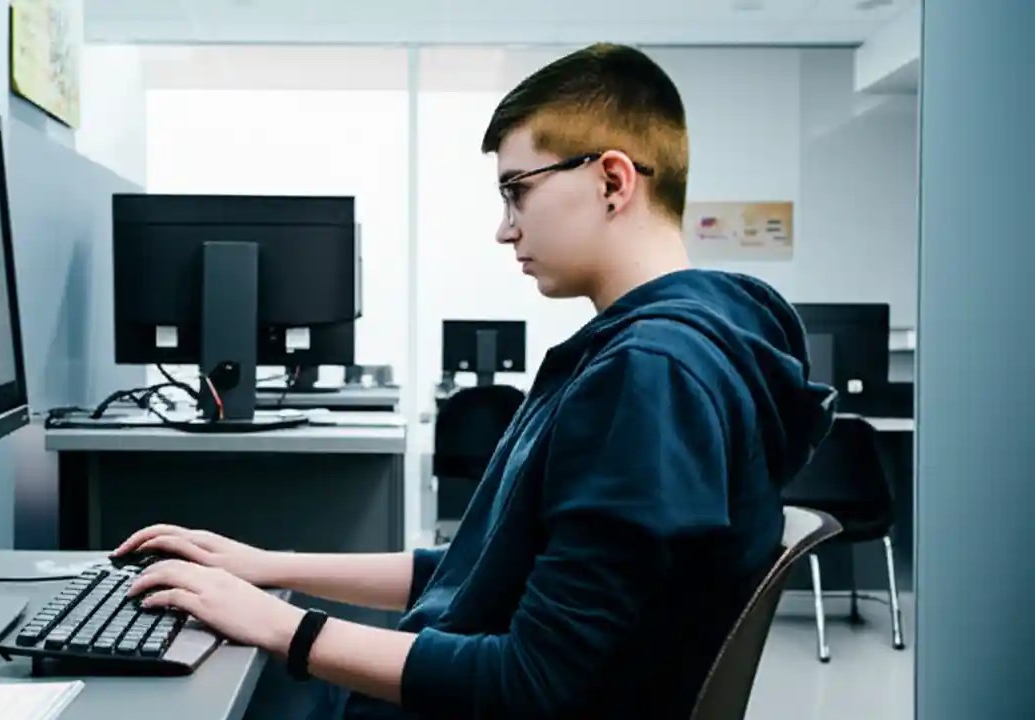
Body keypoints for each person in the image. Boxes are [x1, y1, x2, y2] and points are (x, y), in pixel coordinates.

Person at [115, 42, 835, 719]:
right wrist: (269, 568)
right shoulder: (698, 341)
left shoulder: (649, 375)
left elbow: (532, 681)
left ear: (612, 181)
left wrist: (279, 626)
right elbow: (485, 568)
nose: (504, 228)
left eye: (517, 192)